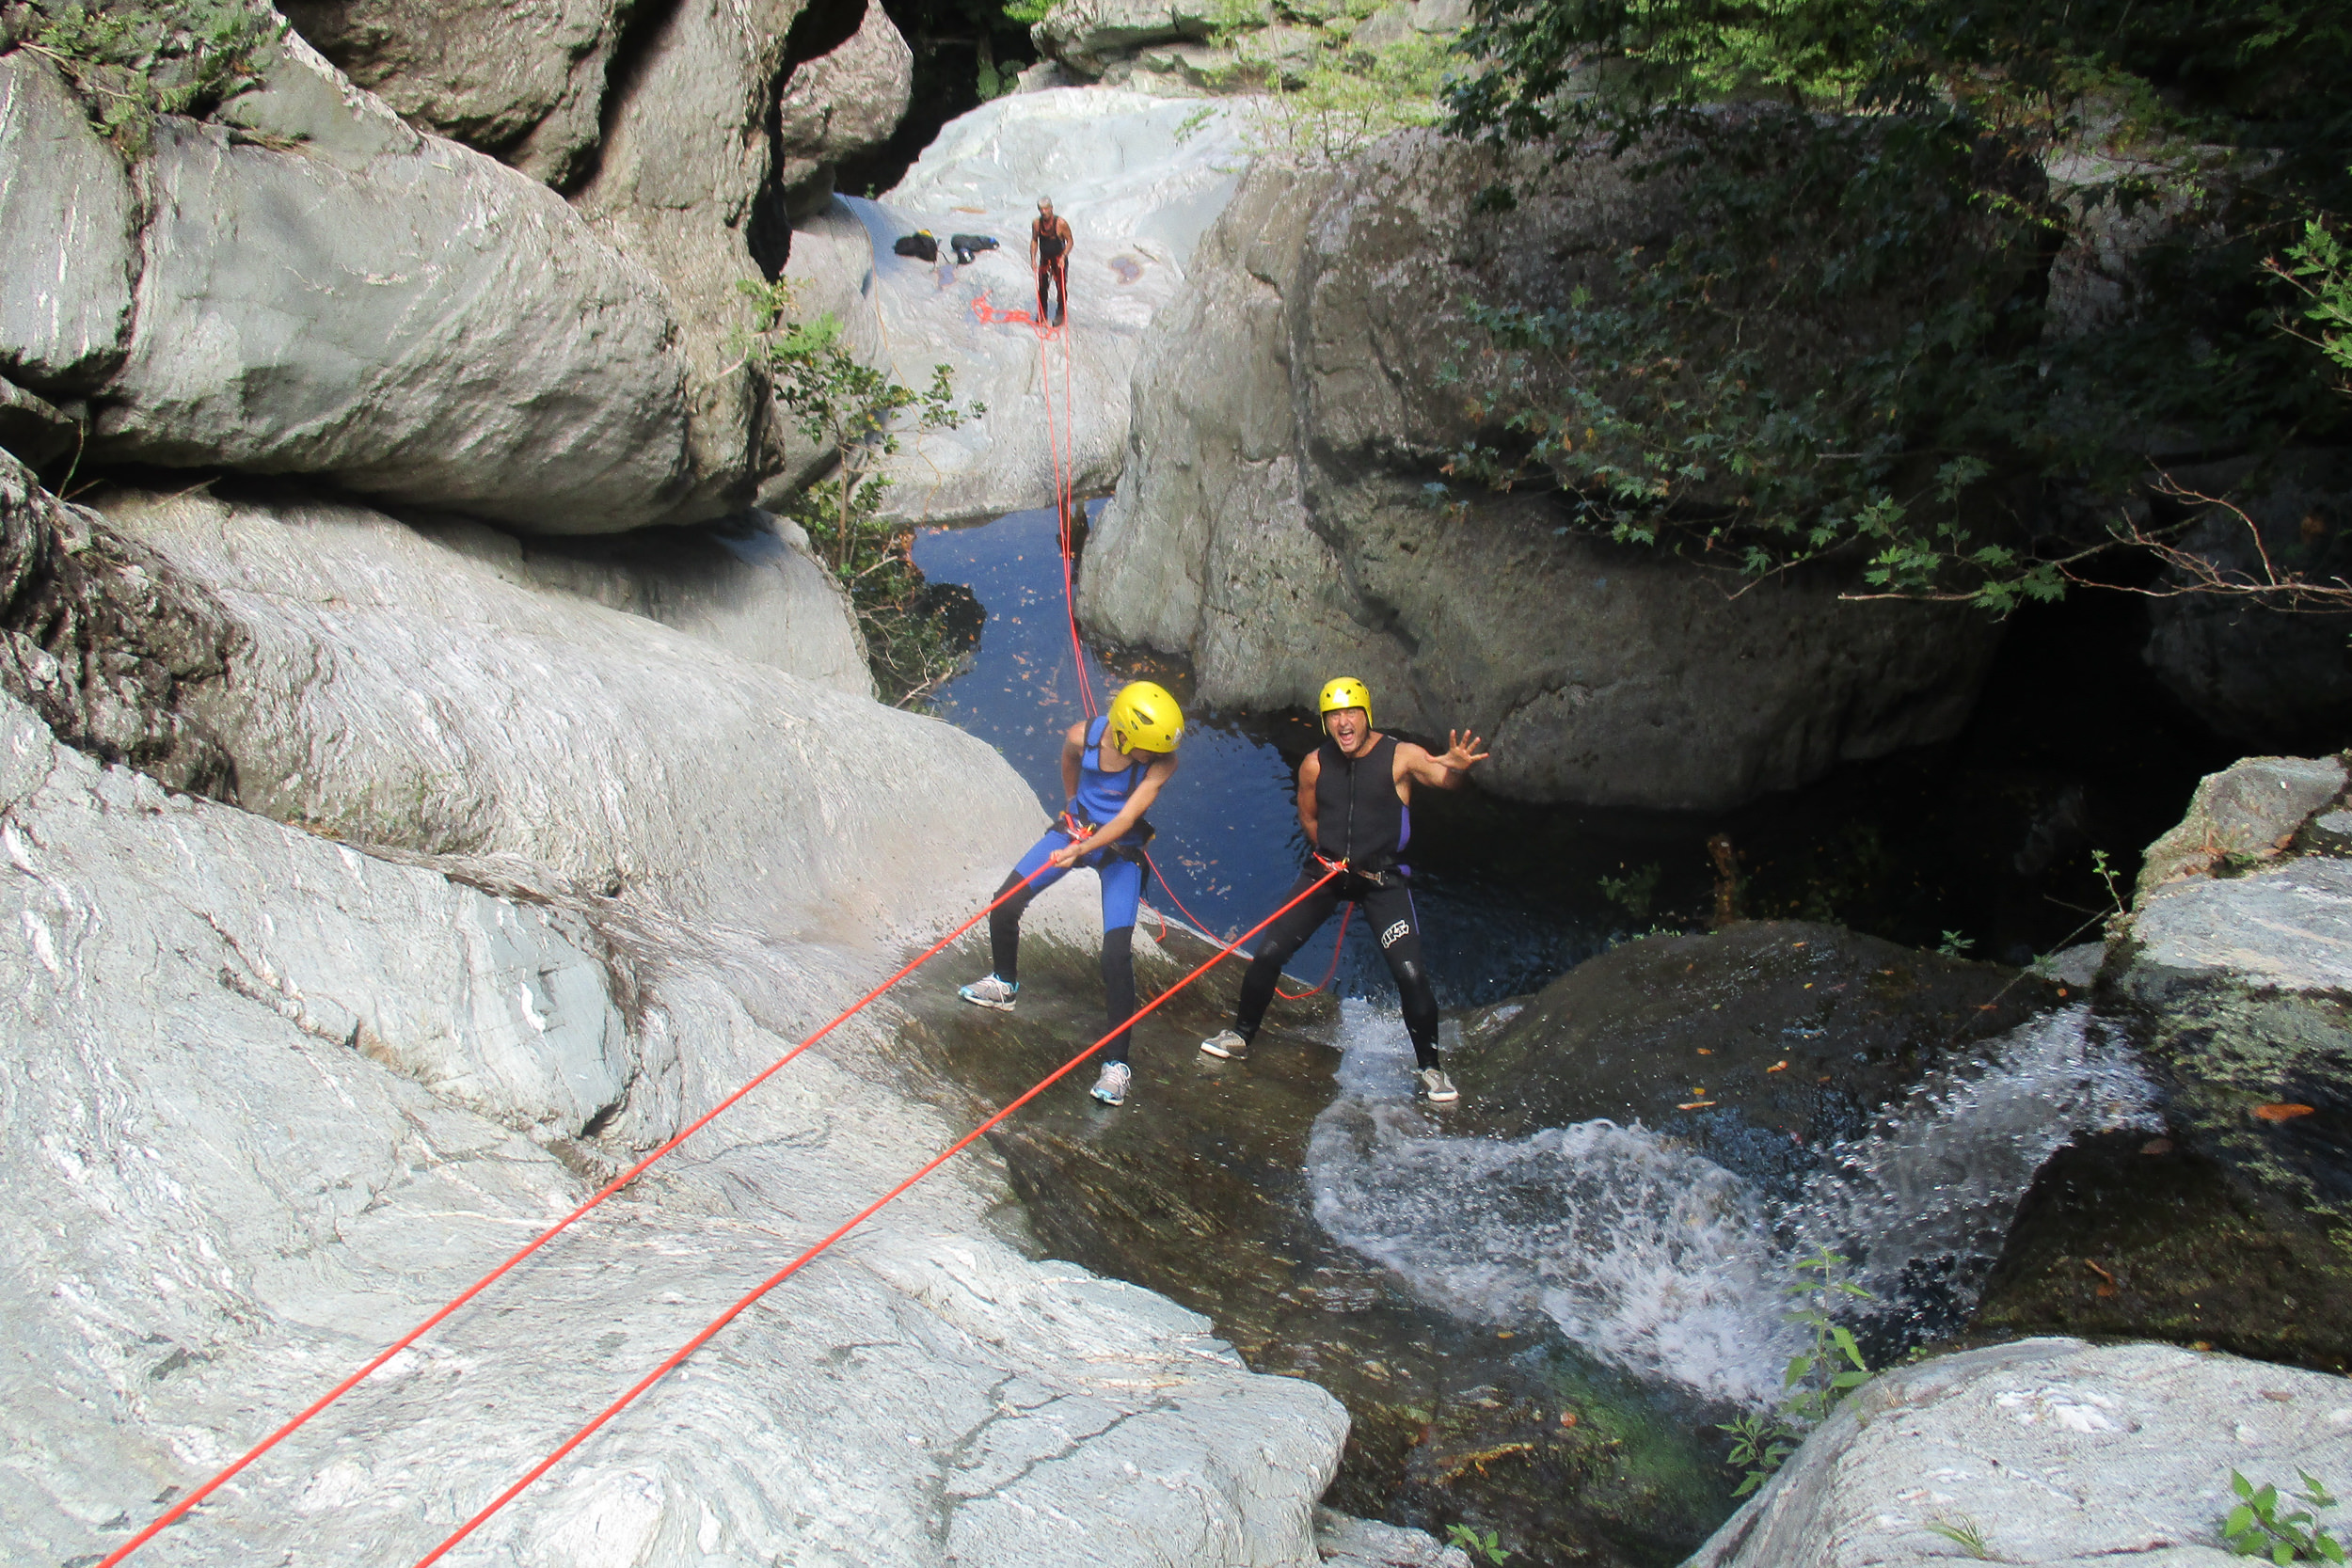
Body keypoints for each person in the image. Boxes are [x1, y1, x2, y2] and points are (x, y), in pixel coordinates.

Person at [1200, 677, 1489, 1103]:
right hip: (1328, 872)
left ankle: (1431, 1068)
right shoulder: (1315, 764)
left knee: (1410, 975)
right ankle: (1241, 1034)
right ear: (1326, 723)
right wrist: (1331, 856)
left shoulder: (1400, 755)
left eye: (1351, 712)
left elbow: (1441, 777)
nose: (1343, 722)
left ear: (1366, 715)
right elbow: (1309, 818)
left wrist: (1458, 769)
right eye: (1334, 715)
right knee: (1269, 953)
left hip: (1381, 881)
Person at [961, 680, 1184, 1105]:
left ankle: (1117, 1065)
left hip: (1120, 850)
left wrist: (1079, 848)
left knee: (1116, 955)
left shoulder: (1161, 763)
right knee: (1004, 902)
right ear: (1124, 734)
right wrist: (1070, 806)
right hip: (1076, 829)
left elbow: (1126, 819)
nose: (1157, 757)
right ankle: (1005, 984)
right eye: (1150, 748)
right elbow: (1069, 758)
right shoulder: (1084, 737)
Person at [1030, 197, 1073, 326]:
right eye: (1041, 210)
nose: (1043, 212)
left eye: (1046, 209)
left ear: (1051, 208)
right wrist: (1033, 258)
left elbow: (1070, 241)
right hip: (1045, 258)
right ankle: (1042, 314)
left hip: (1058, 258)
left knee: (1060, 287)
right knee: (1042, 286)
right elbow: (1034, 240)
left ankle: (1061, 314)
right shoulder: (1037, 224)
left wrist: (1064, 256)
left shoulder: (1061, 224)